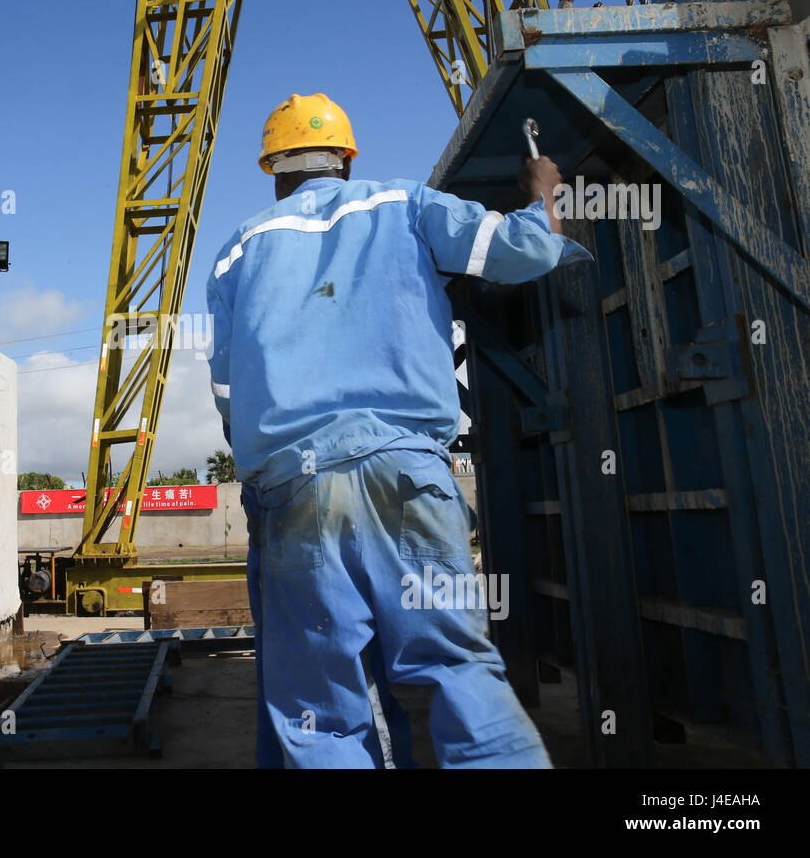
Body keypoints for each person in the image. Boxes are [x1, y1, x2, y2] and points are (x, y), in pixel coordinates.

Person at [207, 93, 592, 768]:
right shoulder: (406, 204)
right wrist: (545, 194)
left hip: (295, 493)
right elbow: (523, 251)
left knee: (321, 713)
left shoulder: (239, 250)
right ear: (348, 160)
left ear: (273, 170)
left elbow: (228, 393)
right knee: (459, 669)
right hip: (408, 474)